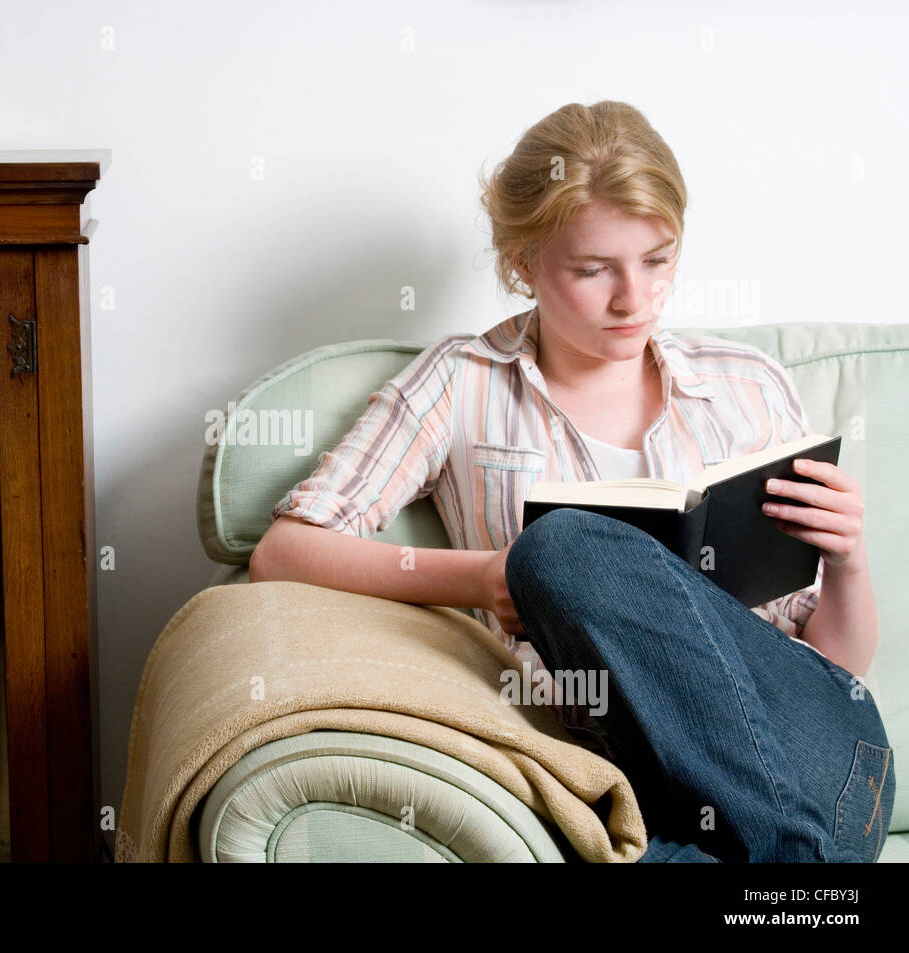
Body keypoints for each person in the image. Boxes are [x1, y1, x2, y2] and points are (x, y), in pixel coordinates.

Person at [248, 100, 893, 862]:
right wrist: (487, 575)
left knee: (557, 547)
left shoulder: (746, 385)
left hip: (820, 763)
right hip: (627, 793)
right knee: (556, 552)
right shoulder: (461, 383)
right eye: (594, 270)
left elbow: (838, 668)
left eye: (657, 259)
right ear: (523, 262)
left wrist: (847, 561)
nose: (635, 299)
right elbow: (283, 553)